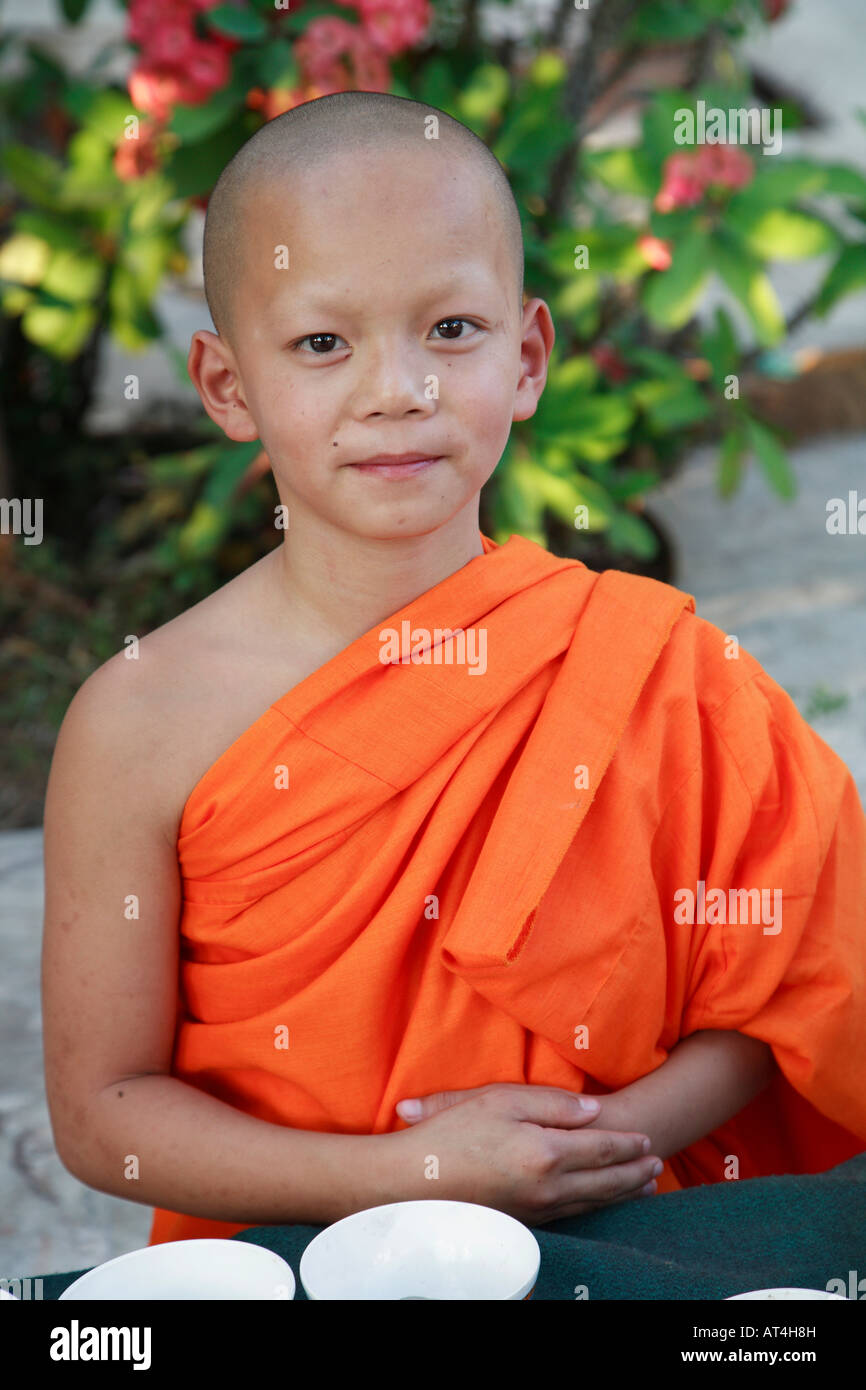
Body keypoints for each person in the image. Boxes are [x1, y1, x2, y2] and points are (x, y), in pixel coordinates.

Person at [41, 91, 866, 1249]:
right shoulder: (139, 718)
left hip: (621, 1232)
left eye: (450, 331)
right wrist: (416, 1172)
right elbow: (104, 1117)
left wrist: (576, 1152)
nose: (397, 389)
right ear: (227, 386)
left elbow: (781, 989)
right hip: (294, 1260)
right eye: (323, 342)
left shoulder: (648, 664)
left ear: (527, 358)